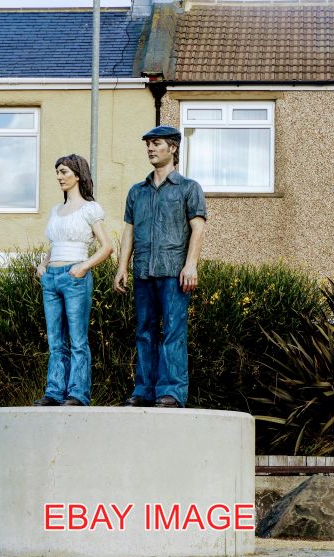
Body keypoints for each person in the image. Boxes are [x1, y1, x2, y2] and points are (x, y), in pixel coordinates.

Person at [113, 126, 207, 408]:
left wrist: (191, 265)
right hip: (143, 271)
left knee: (173, 331)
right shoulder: (136, 192)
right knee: (144, 331)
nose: (151, 149)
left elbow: (198, 229)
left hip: (173, 272)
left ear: (173, 148)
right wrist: (122, 267)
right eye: (149, 145)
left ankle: (172, 392)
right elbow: (128, 231)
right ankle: (144, 390)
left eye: (156, 144)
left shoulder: (189, 188)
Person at [35, 154, 113, 406]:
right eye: (57, 172)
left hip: (75, 277)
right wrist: (43, 264)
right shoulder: (55, 211)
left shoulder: (91, 209)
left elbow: (107, 247)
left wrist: (83, 267)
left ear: (78, 175)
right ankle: (54, 392)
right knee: (56, 340)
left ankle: (78, 393)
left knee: (78, 340)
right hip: (52, 279)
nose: (59, 176)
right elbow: (54, 244)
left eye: (64, 172)